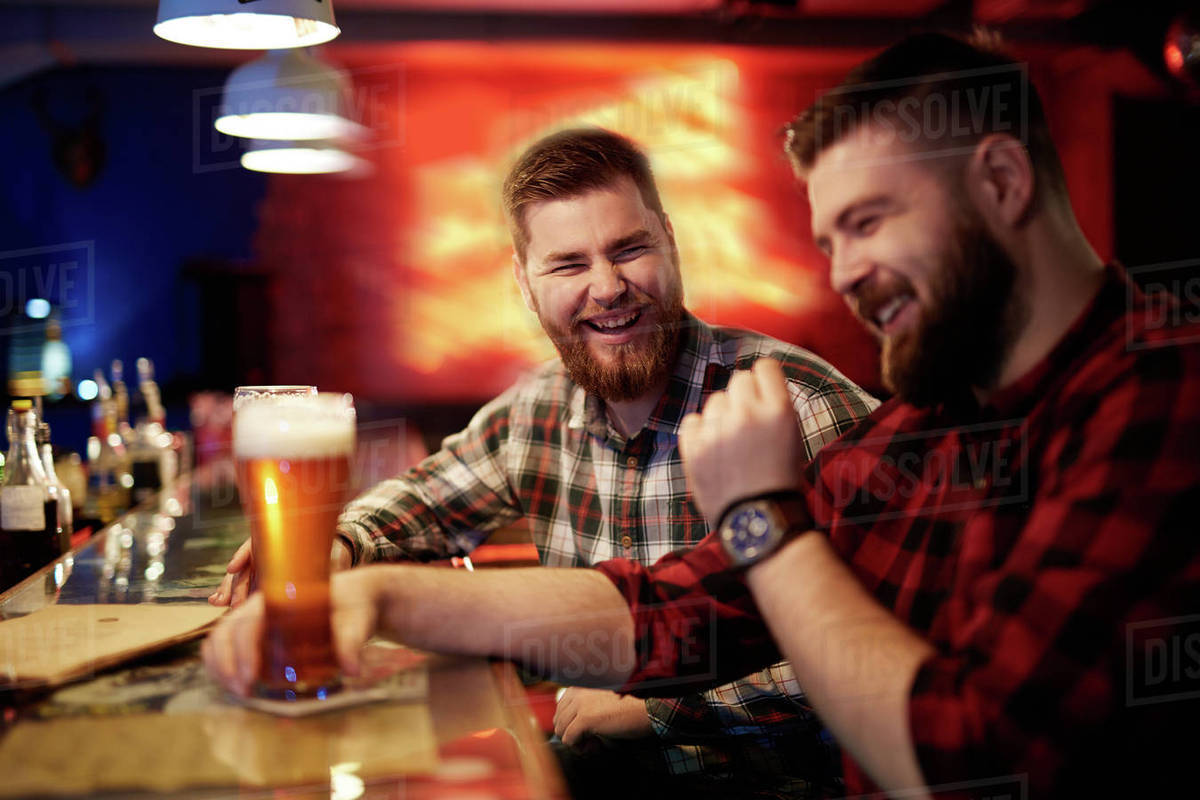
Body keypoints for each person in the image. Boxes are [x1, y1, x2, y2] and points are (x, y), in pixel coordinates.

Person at [207, 34, 1200, 794]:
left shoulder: (1158, 393)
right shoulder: (936, 419)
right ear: (525, 285)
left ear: (999, 180)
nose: (844, 274)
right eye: (827, 239)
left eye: (867, 222)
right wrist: (370, 598)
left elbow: (971, 752)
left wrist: (763, 514)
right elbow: (682, 607)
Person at [209, 128, 876, 797]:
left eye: (629, 249)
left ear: (670, 243)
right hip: (595, 779)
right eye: (568, 265)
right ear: (525, 284)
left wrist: (661, 710)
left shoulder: (801, 406)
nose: (608, 286)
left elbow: (878, 657)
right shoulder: (537, 409)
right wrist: (343, 547)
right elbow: (421, 501)